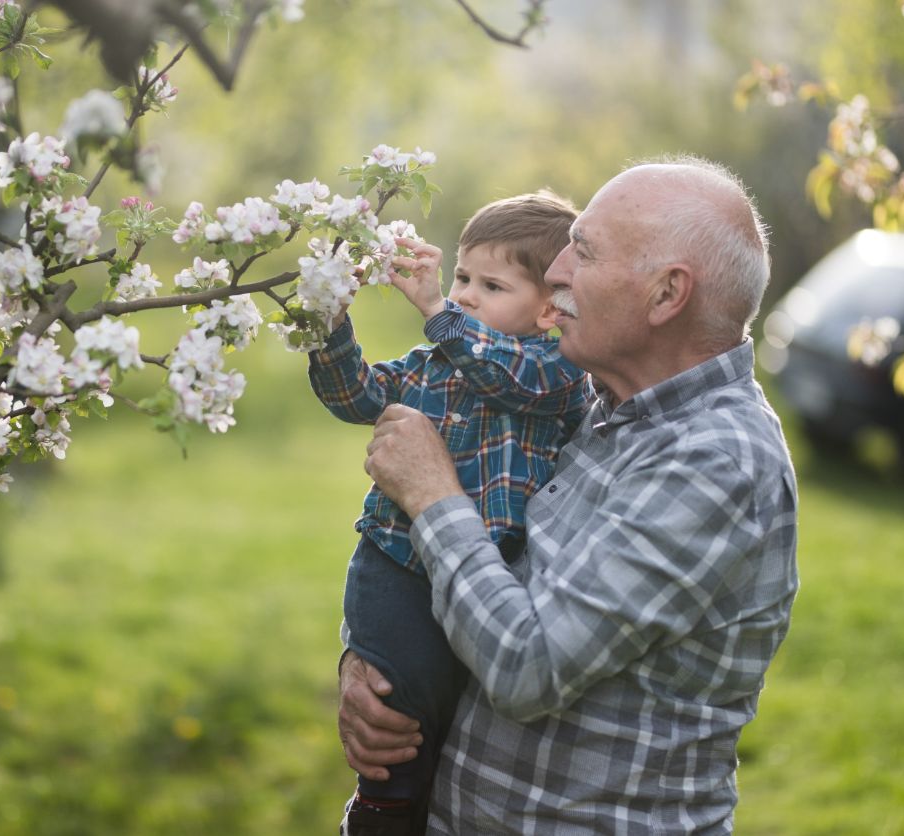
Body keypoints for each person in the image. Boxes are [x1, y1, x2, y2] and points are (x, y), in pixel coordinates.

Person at [341, 157, 800, 834]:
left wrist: (433, 496)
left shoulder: (716, 461)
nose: (555, 272)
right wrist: (370, 663)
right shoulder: (588, 400)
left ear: (666, 294)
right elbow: (468, 583)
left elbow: (528, 668)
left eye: (582, 252)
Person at [307, 193, 591, 835]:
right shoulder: (434, 366)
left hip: (490, 576)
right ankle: (383, 809)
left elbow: (507, 377)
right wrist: (328, 323)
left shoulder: (557, 372)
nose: (463, 295)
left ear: (550, 308)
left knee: (459, 707)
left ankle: (432, 802)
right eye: (462, 277)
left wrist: (436, 309)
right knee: (396, 701)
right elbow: (355, 397)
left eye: (492, 285)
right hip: (397, 565)